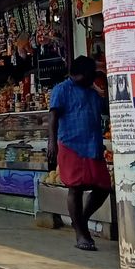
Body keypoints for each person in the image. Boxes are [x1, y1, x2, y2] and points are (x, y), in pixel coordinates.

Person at [47, 56, 111, 251]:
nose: (94, 77)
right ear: (80, 74)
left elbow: (106, 108)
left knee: (103, 187)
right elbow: (53, 117)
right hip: (70, 145)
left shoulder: (92, 92)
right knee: (76, 188)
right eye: (92, 73)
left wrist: (106, 80)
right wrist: (52, 143)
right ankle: (81, 233)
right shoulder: (62, 90)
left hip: (93, 145)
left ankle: (80, 220)